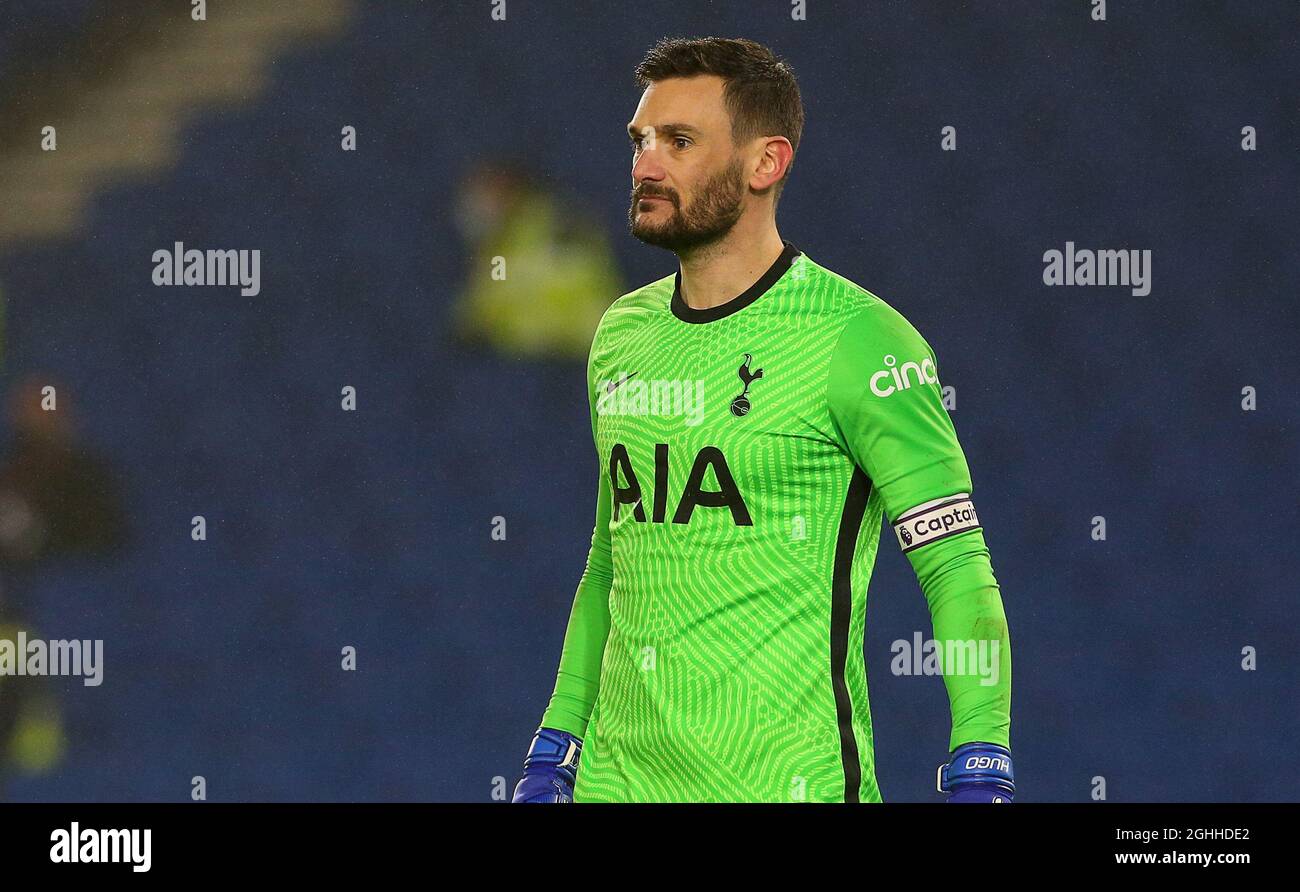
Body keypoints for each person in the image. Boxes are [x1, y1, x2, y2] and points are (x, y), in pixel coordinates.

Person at [511, 37, 1012, 803]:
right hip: (615, 787)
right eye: (640, 140)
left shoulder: (862, 342)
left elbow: (956, 571)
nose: (645, 164)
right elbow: (611, 564)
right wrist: (555, 746)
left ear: (766, 162)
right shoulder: (619, 336)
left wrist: (981, 757)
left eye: (679, 141)